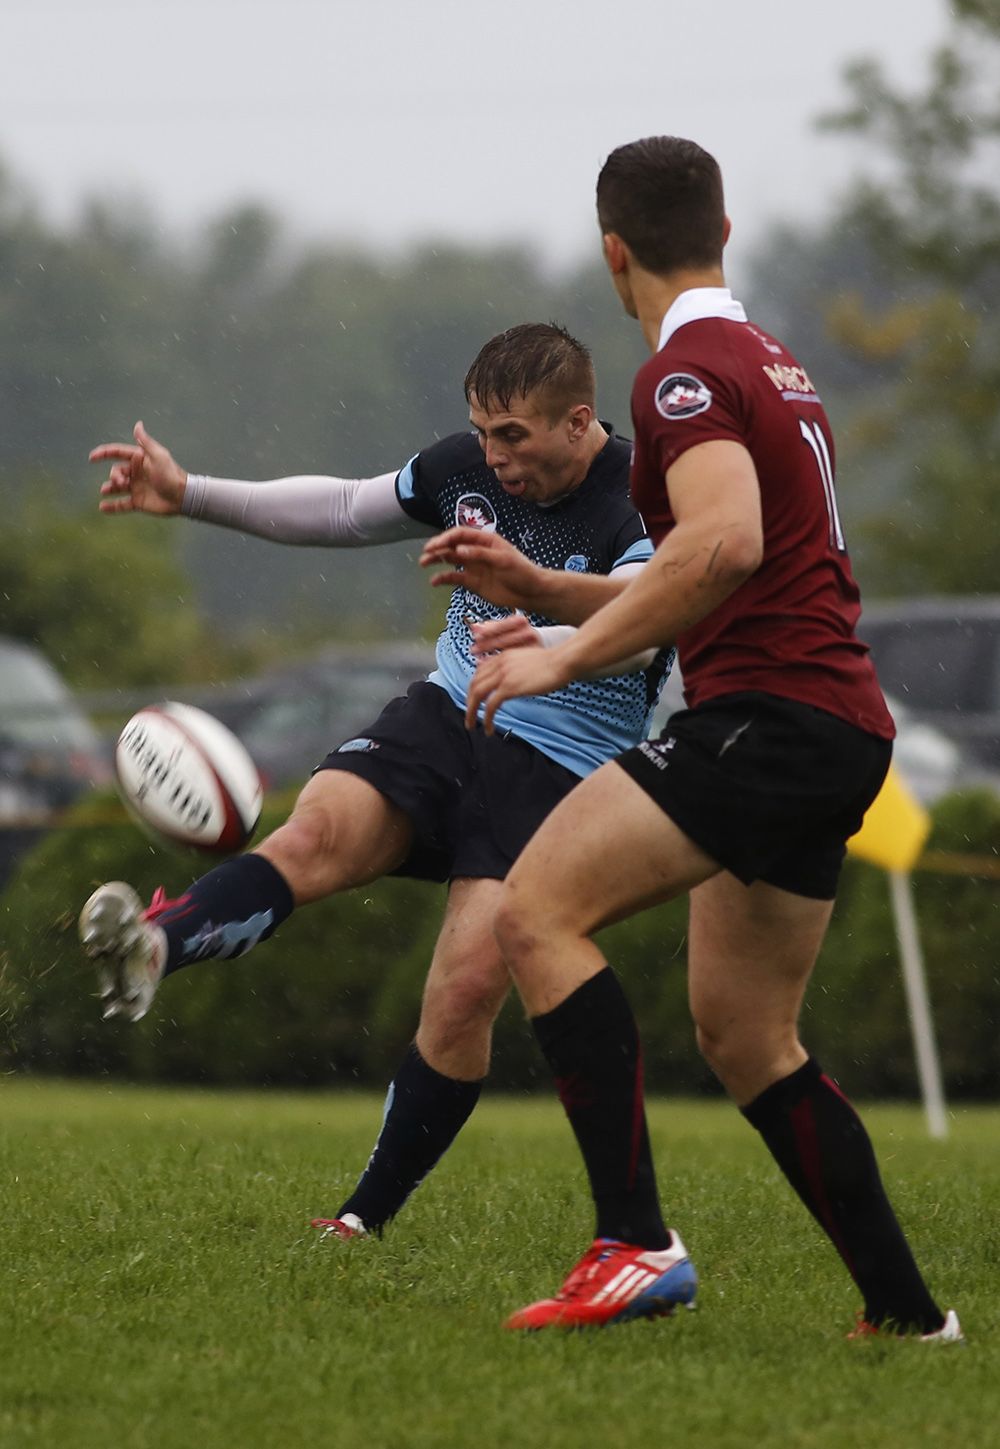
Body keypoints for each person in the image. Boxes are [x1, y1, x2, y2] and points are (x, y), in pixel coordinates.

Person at [447, 139, 960, 1339]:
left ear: (612, 252)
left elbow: (720, 545)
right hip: (833, 723)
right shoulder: (770, 361)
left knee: (532, 911)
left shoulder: (678, 375)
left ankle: (633, 1244)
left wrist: (563, 658)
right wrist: (549, 590)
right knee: (744, 1033)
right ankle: (905, 1315)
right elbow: (715, 570)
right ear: (723, 231)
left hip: (766, 720)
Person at [79, 322, 673, 1241]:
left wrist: (539, 624)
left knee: (465, 986)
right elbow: (347, 509)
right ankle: (159, 944)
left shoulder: (639, 496)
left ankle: (363, 1215)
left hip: (561, 761)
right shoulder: (466, 471)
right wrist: (189, 492)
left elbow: (640, 616)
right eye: (482, 432)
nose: (494, 456)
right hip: (448, 712)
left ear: (578, 421)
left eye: (513, 435)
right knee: (312, 834)